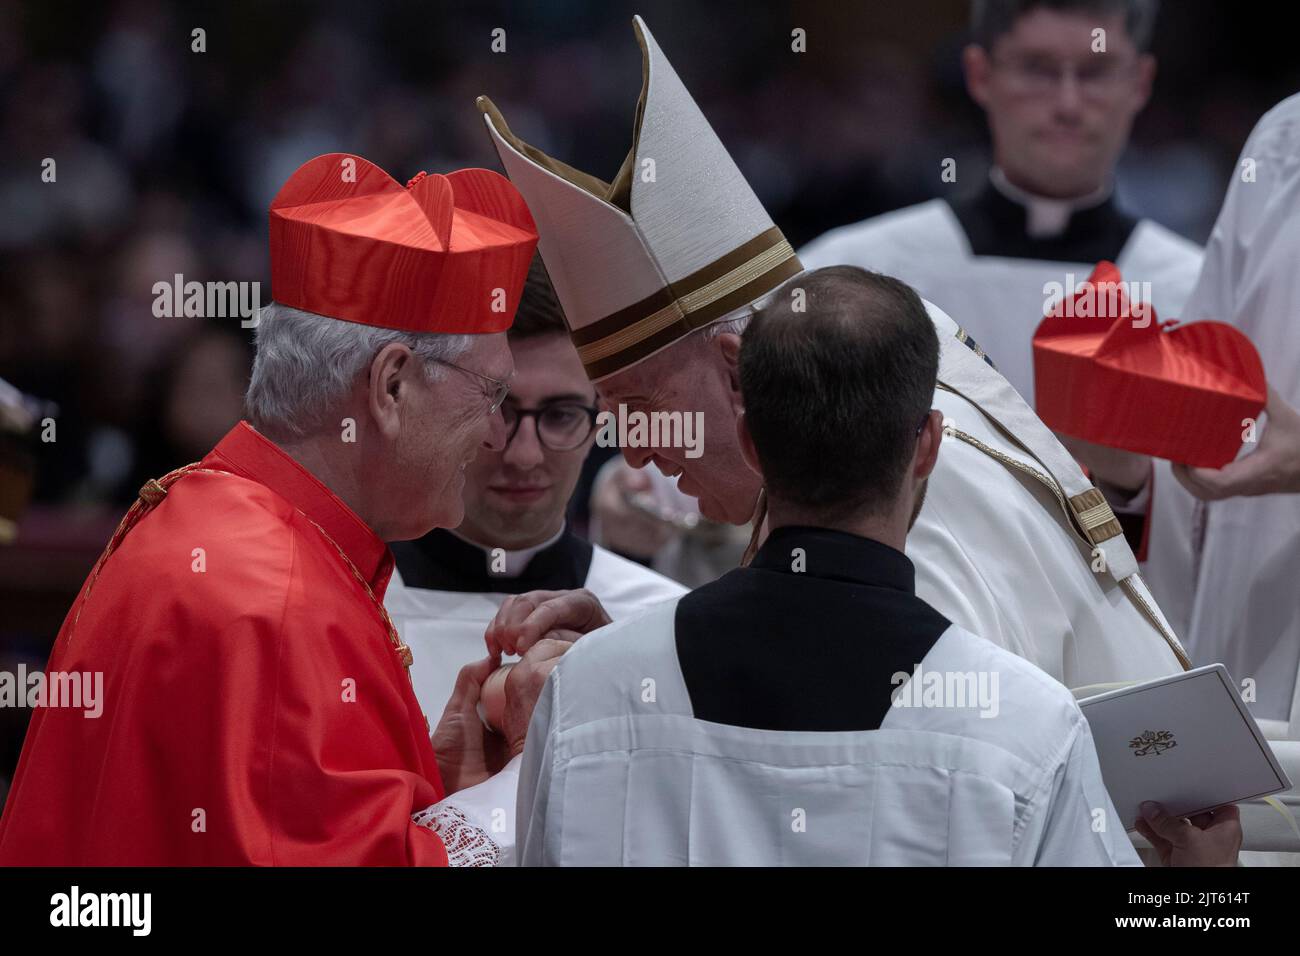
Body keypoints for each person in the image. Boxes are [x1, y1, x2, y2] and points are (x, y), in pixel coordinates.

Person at [478, 14, 1186, 699]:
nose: (633, 452)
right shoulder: (871, 400)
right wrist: (631, 654)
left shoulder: (889, 471)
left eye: (640, 408)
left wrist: (625, 676)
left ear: (736, 368)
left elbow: (911, 757)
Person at [514, 266, 1242, 866]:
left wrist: (625, 654)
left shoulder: (591, 690)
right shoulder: (1026, 726)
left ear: (750, 438)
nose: (637, 448)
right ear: (928, 444)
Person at [0, 153, 554, 866]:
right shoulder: (274, 597)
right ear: (391, 387)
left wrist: (428, 784)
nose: (496, 435)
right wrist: (516, 791)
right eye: (492, 397)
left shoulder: (216, 513)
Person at [799, 0, 1204, 639]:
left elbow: (1235, 533)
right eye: (1038, 69)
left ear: (1141, 83)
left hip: (1117, 650)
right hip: (907, 637)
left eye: (1096, 72)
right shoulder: (858, 271)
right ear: (980, 74)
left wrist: (1135, 481)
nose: (1068, 103)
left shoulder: (1198, 294)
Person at [385, 255, 684, 725]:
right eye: (498, 410)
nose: (523, 455)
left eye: (561, 414)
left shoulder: (664, 621)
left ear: (601, 417)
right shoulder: (349, 609)